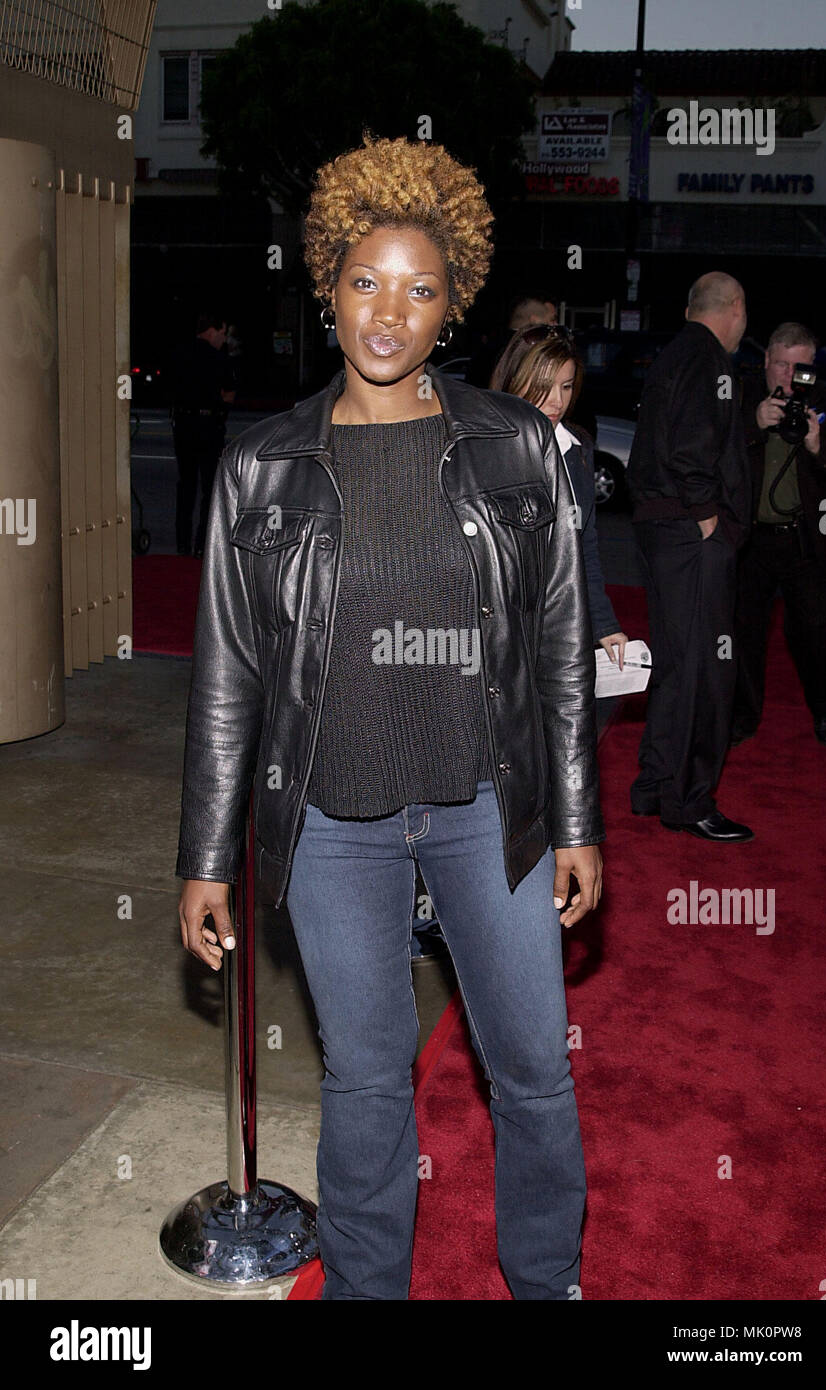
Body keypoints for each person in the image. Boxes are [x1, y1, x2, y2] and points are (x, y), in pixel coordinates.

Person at [175, 134, 604, 1301]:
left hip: (488, 812)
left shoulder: (518, 450)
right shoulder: (259, 467)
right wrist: (207, 855)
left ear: (452, 302)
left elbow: (562, 649)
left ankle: (547, 1281)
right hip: (330, 825)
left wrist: (576, 819)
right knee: (365, 1081)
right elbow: (229, 677)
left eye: (420, 288)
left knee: (530, 1072)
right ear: (328, 286)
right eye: (366, 282)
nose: (388, 311)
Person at [627, 271, 753, 842]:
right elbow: (691, 448)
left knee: (677, 665)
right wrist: (709, 516)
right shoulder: (708, 359)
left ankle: (655, 785)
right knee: (705, 671)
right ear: (736, 309)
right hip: (688, 532)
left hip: (662, 530)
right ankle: (688, 798)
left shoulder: (673, 353)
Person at [732, 322, 826, 747]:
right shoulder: (741, 396)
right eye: (780, 364)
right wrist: (752, 424)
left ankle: (825, 711)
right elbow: (709, 453)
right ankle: (743, 716)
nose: (788, 376)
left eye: (799, 367)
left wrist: (818, 447)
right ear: (765, 360)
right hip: (751, 540)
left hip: (806, 538)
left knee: (817, 632)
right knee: (744, 632)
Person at [490, 323, 629, 669]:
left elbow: (586, 548)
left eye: (566, 386)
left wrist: (604, 623)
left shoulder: (577, 450)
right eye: (543, 386)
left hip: (560, 623)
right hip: (498, 627)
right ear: (514, 380)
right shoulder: (482, 450)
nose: (557, 401)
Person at [167, 311, 236, 556]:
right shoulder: (218, 358)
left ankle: (182, 544)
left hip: (183, 423)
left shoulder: (179, 354)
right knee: (209, 487)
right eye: (222, 333)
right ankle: (201, 544)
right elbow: (229, 393)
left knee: (186, 485)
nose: (224, 339)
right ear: (212, 330)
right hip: (208, 425)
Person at [464, 292, 558, 387]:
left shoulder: (487, 347)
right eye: (552, 319)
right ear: (535, 320)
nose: (555, 325)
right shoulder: (530, 351)